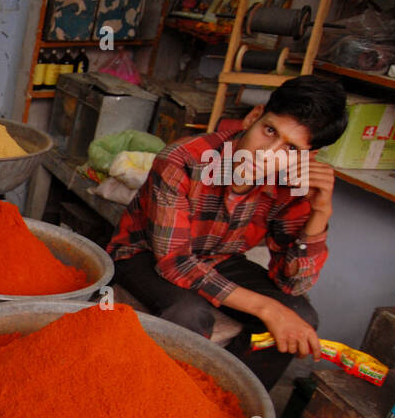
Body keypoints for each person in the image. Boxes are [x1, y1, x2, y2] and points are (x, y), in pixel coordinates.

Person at [107, 75, 348, 390]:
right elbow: (174, 262)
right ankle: (161, 399)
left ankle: (227, 400)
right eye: (269, 131)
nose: (268, 153)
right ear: (253, 117)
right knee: (189, 312)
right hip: (143, 253)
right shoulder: (184, 159)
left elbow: (292, 283)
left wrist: (320, 213)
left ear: (308, 157)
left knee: (301, 316)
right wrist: (266, 307)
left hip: (219, 257)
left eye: (290, 148)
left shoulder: (294, 182)